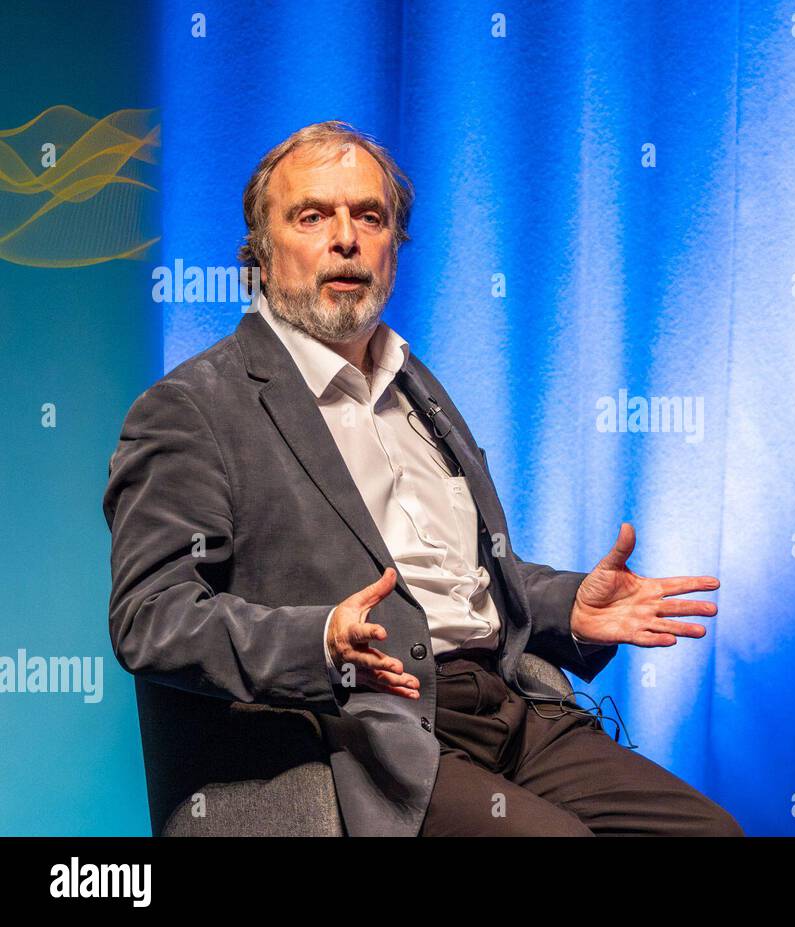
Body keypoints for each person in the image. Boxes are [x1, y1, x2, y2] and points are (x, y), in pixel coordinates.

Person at [103, 120, 743, 837]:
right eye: (312, 216)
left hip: (502, 705)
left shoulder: (415, 387)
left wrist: (570, 609)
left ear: (393, 249)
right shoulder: (194, 408)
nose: (345, 237)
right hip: (364, 732)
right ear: (259, 250)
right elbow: (151, 616)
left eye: (368, 216)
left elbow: (460, 576)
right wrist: (318, 639)